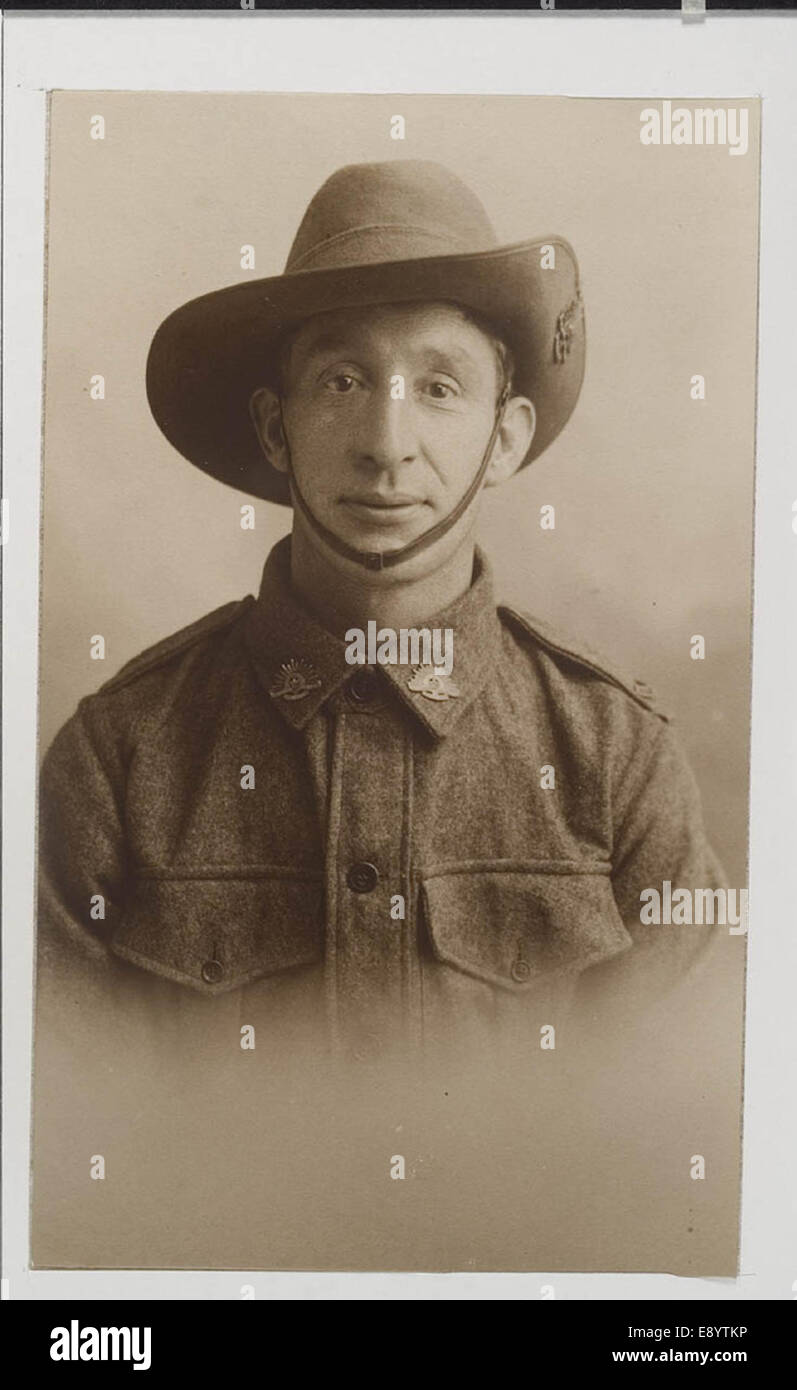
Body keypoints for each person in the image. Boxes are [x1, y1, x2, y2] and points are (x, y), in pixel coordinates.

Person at [36, 159, 727, 1071]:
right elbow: (66, 1119)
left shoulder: (616, 757)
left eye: (438, 388)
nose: (386, 445)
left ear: (503, 439)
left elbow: (680, 1114)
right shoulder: (119, 758)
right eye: (342, 383)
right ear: (276, 429)